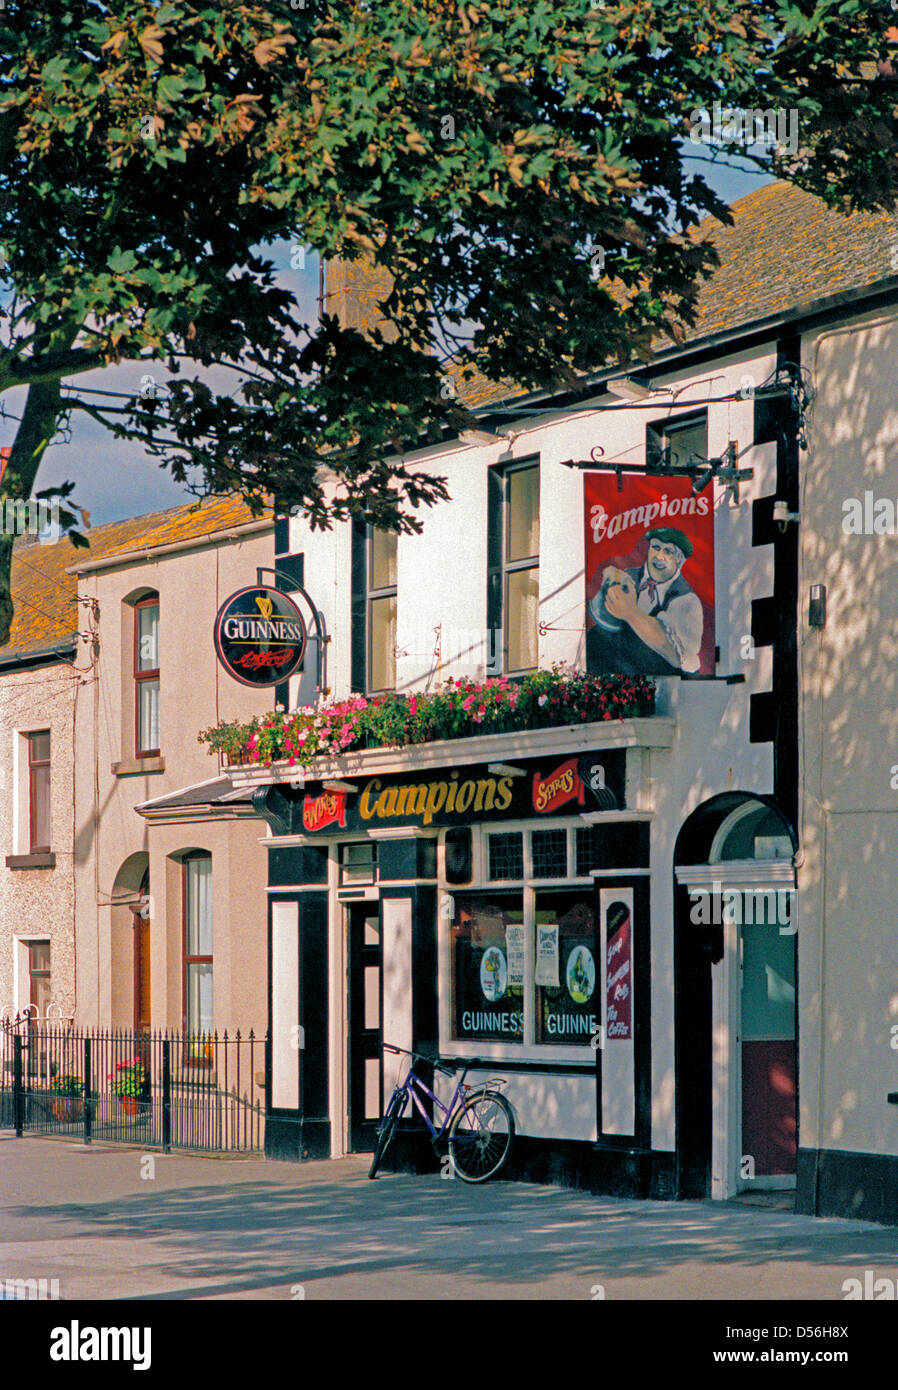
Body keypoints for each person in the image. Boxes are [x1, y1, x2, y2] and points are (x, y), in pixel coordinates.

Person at [586, 527, 704, 676]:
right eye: (656, 548)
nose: (659, 557)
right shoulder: (629, 576)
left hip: (662, 685)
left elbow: (679, 658)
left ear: (679, 559)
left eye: (668, 551)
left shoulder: (686, 601)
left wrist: (631, 613)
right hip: (621, 677)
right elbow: (605, 627)